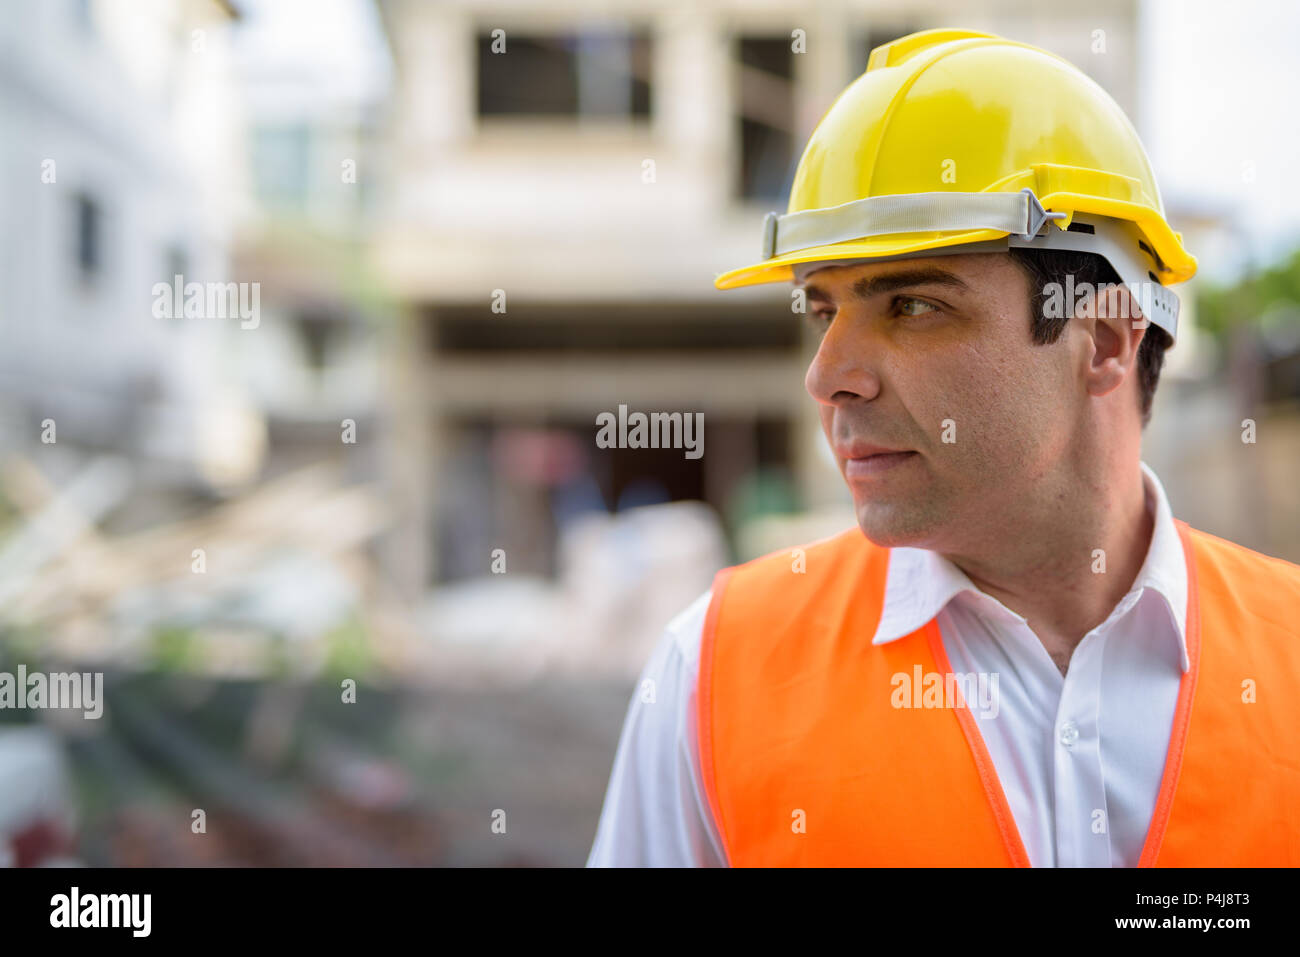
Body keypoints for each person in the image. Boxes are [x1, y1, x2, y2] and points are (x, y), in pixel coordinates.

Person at [587, 28, 1300, 867]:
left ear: (1104, 337)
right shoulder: (710, 674)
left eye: (914, 306)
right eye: (823, 312)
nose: (828, 376)